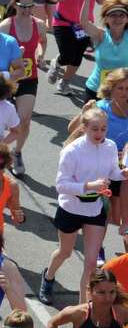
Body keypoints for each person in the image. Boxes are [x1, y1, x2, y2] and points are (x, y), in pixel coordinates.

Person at [41, 106, 123, 305]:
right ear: (85, 127)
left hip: (95, 209)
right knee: (65, 252)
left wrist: (122, 174)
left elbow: (112, 172)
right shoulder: (71, 151)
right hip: (71, 208)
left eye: (103, 129)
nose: (99, 133)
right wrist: (88, 186)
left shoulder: (110, 146)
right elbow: (61, 185)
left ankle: (83, 308)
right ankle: (48, 277)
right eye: (95, 129)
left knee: (92, 263)